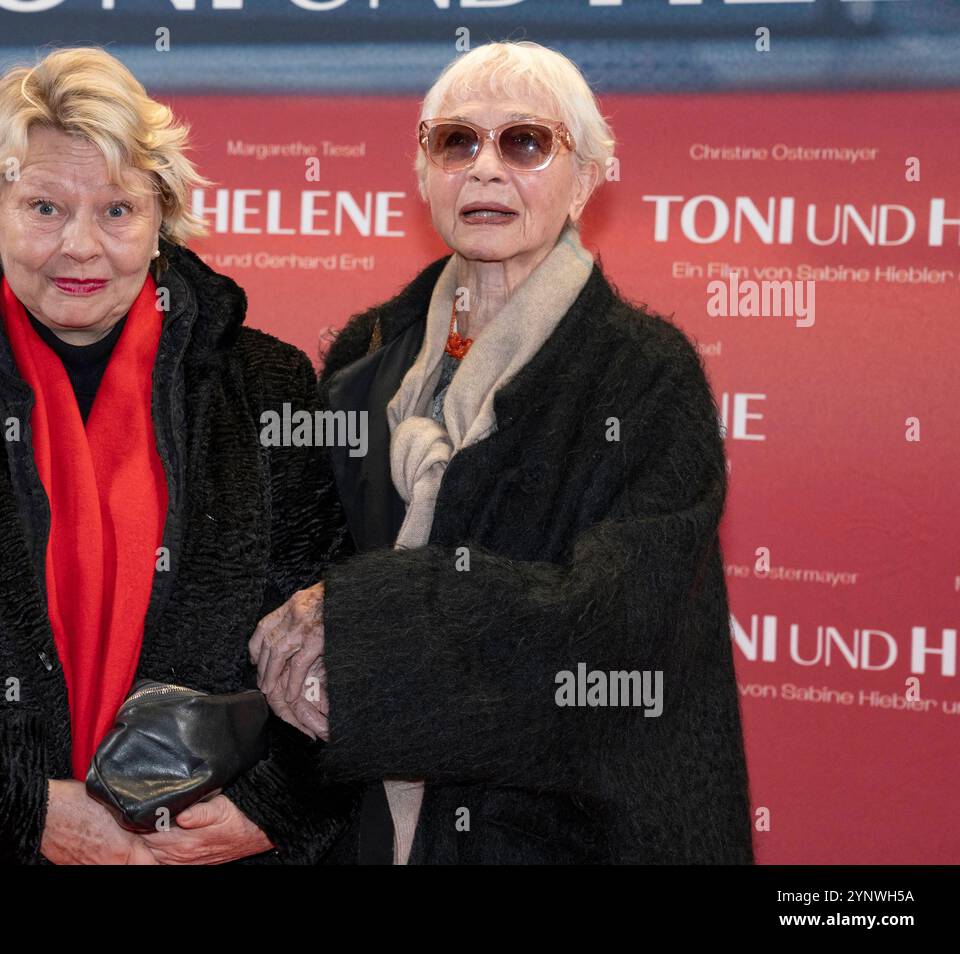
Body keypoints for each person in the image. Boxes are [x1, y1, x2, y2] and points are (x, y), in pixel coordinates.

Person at [0, 47, 354, 864]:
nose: (82, 248)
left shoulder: (265, 385)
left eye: (117, 210)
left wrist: (269, 807)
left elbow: (330, 618)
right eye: (45, 208)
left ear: (161, 214)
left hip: (209, 850)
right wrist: (26, 807)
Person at [250, 41, 755, 864]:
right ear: (422, 171)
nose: (485, 169)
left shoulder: (644, 376)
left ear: (586, 177)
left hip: (572, 834)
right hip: (369, 824)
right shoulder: (365, 354)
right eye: (456, 141)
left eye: (524, 142)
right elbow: (302, 567)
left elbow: (606, 625)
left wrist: (353, 612)